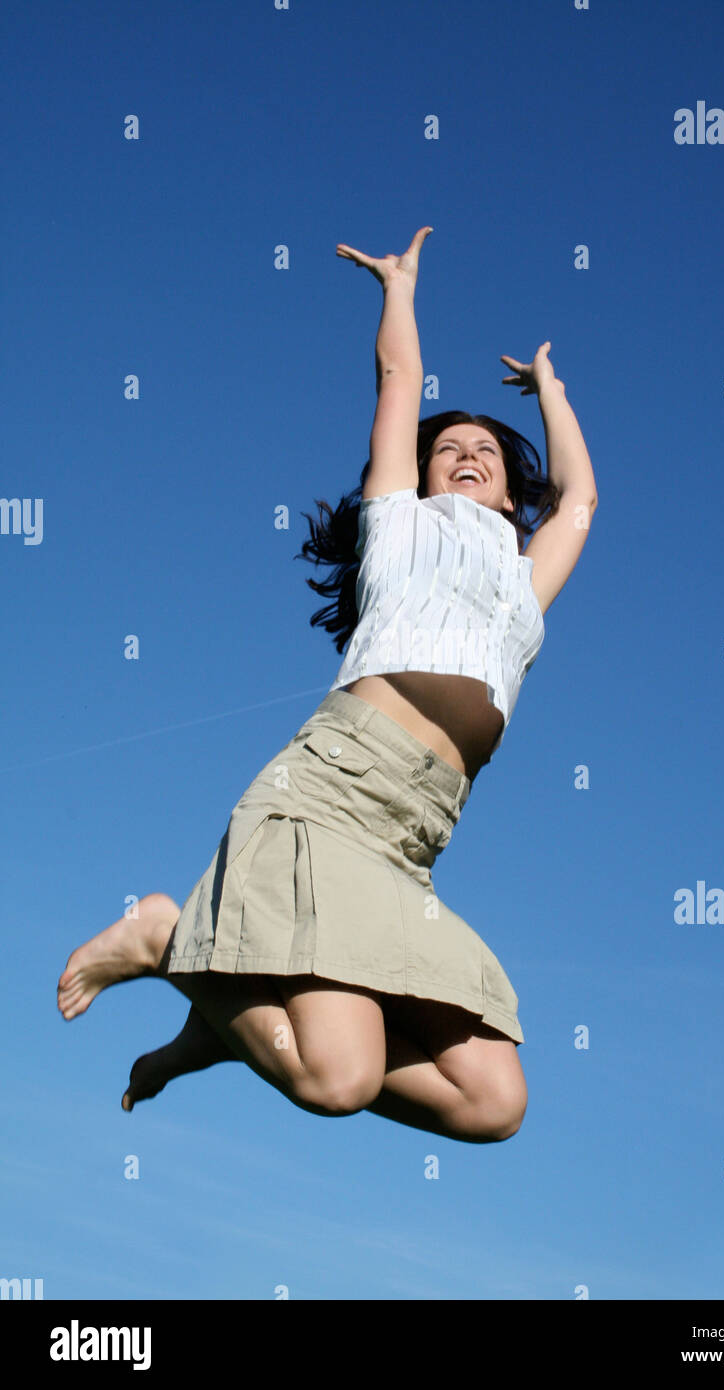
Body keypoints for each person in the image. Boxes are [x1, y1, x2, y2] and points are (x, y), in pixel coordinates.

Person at [57, 226, 598, 1145]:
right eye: (448, 448)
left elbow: (579, 501)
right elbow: (398, 384)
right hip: (333, 792)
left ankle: (228, 1013)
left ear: (512, 494)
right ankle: (169, 940)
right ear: (420, 477)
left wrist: (550, 388)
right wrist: (399, 290)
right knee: (336, 1082)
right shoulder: (400, 526)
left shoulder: (522, 580)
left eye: (488, 453)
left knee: (495, 1104)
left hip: (412, 841)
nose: (467, 452)